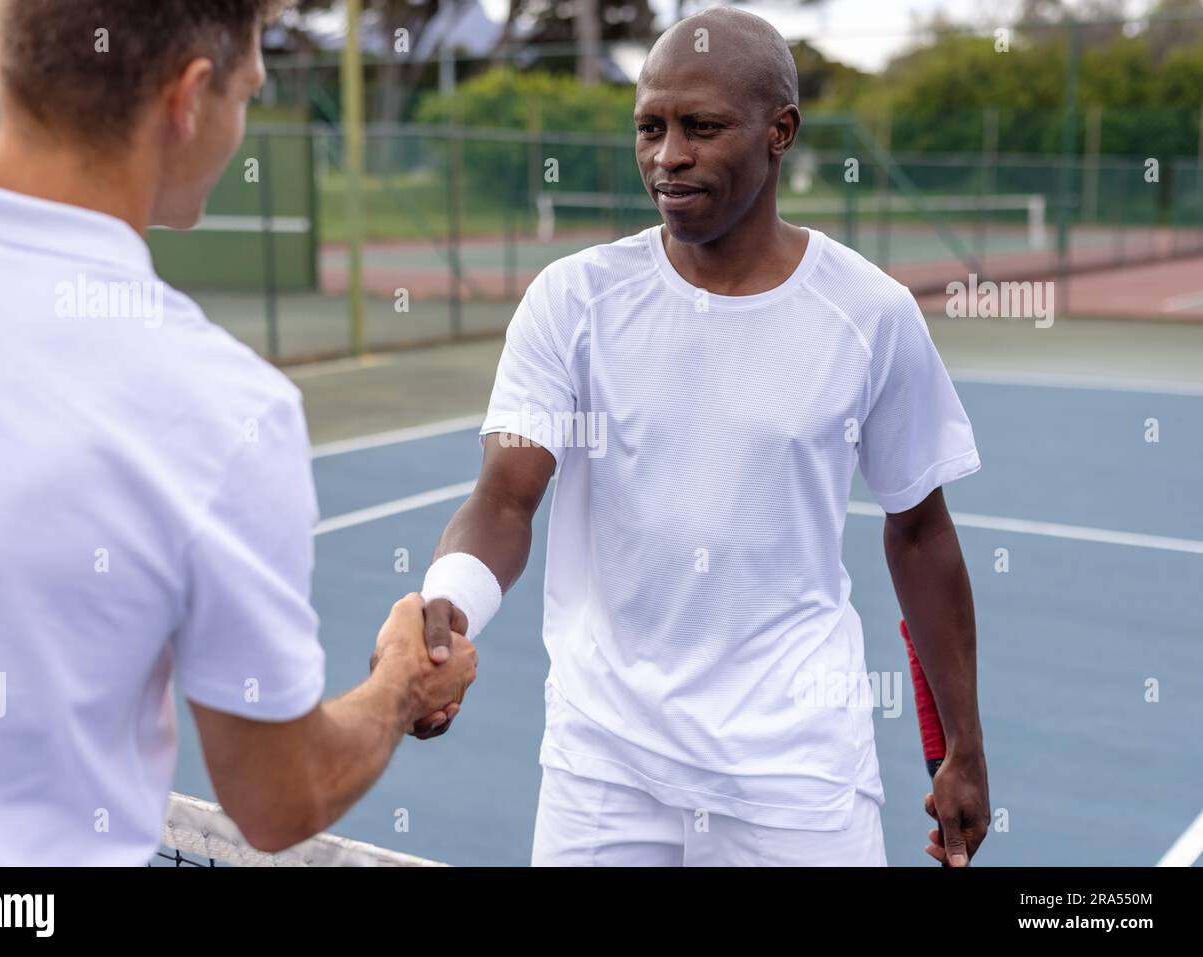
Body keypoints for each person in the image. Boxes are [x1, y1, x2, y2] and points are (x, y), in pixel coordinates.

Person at [0, 0, 475, 866]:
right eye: (247, 92)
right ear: (190, 96)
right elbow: (278, 800)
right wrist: (402, 681)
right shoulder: (221, 407)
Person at [416, 8, 990, 866]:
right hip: (602, 767)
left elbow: (919, 529)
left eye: (701, 128)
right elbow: (504, 495)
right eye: (650, 127)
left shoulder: (870, 314)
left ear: (780, 133)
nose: (667, 156)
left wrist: (963, 747)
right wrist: (451, 606)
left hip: (797, 774)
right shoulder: (572, 301)